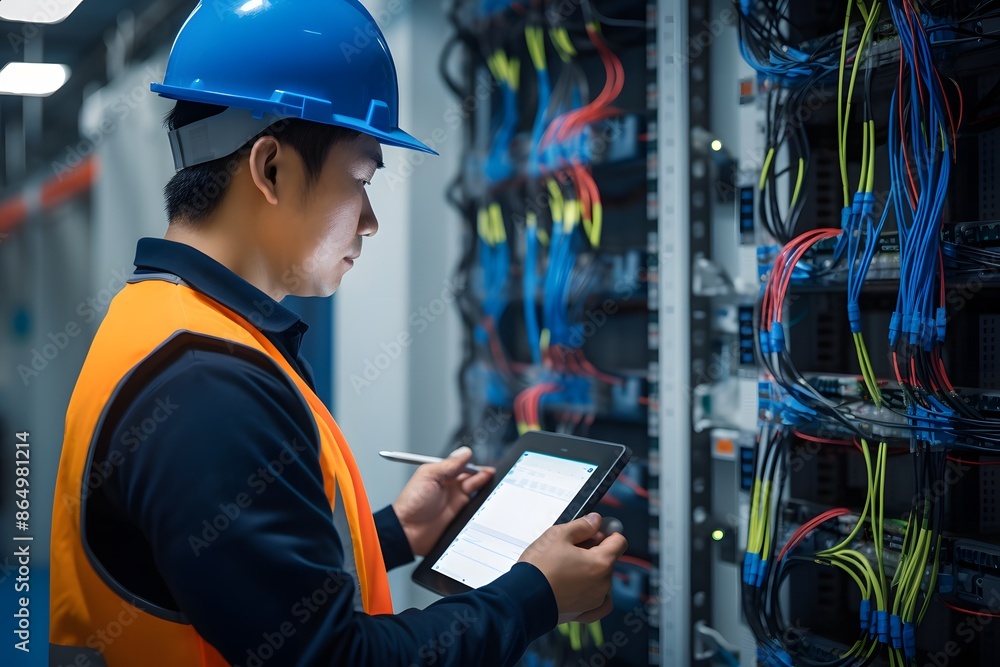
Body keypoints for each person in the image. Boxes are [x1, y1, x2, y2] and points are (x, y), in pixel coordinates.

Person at [49, 1, 627, 666]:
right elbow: (336, 659)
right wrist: (535, 595)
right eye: (360, 179)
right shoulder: (208, 383)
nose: (371, 220)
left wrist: (395, 533)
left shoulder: (164, 323)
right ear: (270, 169)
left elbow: (230, 587)